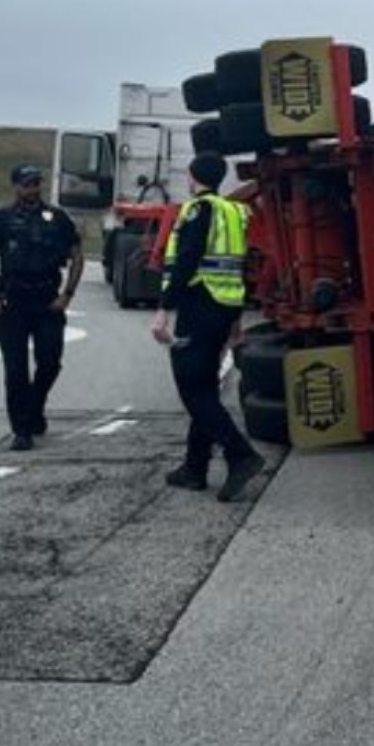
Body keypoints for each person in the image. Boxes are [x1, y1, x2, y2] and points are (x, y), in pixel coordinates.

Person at [151, 151, 267, 502]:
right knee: (204, 387)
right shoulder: (234, 211)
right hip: (223, 305)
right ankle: (194, 468)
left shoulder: (198, 210)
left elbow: (186, 260)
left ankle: (240, 455)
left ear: (192, 176)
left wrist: (164, 310)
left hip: (198, 303)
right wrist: (235, 322)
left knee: (193, 390)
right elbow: (239, 265)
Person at [0, 163, 84, 451]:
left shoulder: (58, 218)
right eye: (27, 184)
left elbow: (77, 256)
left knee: (50, 363)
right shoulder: (1, 219)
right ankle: (21, 429)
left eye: (36, 183)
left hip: (48, 302)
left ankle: (35, 405)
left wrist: (67, 295)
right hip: (13, 305)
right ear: (16, 186)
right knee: (16, 370)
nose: (33, 189)